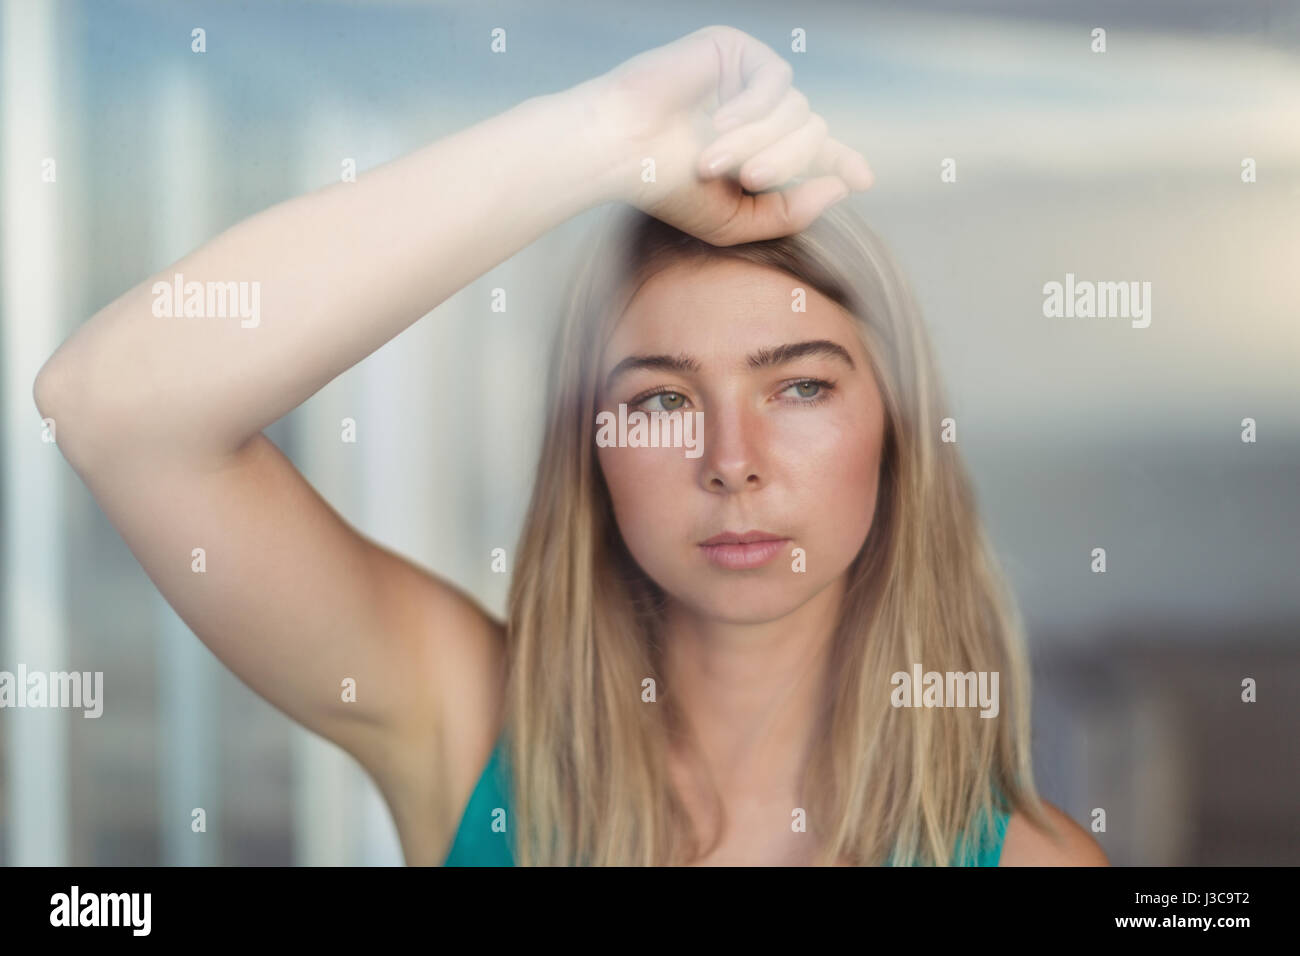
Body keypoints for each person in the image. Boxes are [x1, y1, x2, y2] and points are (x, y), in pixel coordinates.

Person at [34, 24, 1107, 866]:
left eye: (799, 384)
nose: (731, 458)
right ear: (592, 451)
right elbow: (111, 403)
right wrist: (601, 139)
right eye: (658, 401)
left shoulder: (1036, 863)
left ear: (897, 433)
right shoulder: (463, 727)